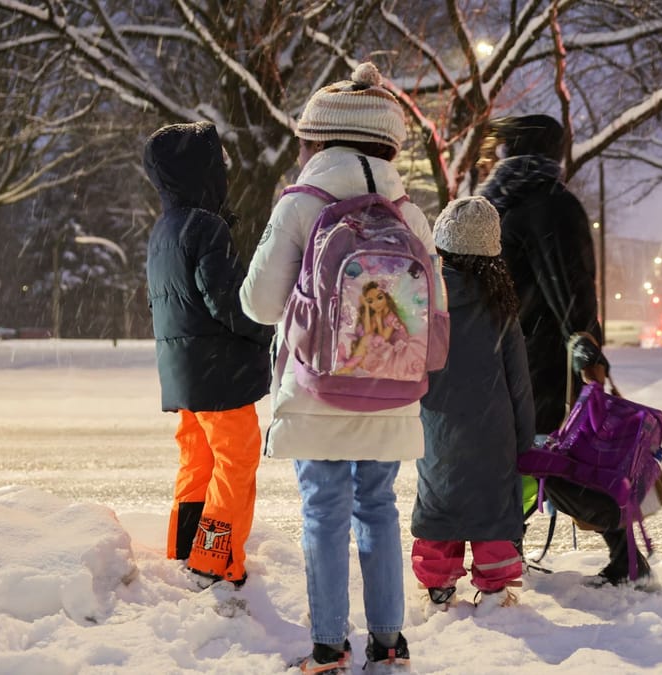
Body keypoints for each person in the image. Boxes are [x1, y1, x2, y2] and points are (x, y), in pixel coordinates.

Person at [239, 63, 426, 674]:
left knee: (323, 509)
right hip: (393, 388)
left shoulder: (301, 204)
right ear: (388, 145)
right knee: (379, 505)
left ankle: (327, 646)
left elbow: (259, 303)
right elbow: (433, 316)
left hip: (320, 388)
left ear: (317, 142)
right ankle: (390, 642)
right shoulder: (412, 216)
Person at [477, 114, 646, 585]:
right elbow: (566, 287)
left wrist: (580, 343)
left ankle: (511, 552)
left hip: (523, 356)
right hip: (534, 356)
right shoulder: (541, 203)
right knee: (549, 458)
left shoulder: (516, 205)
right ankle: (623, 558)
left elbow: (559, 285)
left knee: (540, 459)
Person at [143, 121, 272, 590]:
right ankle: (214, 559)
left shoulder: (164, 229)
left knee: (198, 461)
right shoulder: (206, 226)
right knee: (236, 461)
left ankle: (185, 545)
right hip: (220, 374)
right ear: (202, 173)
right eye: (218, 165)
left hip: (183, 374)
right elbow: (228, 302)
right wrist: (267, 332)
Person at [411, 196, 535, 615]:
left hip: (437, 427)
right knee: (492, 508)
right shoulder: (500, 306)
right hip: (493, 431)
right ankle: (497, 585)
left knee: (439, 503)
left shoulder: (427, 296)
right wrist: (523, 442)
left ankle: (438, 583)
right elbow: (519, 383)